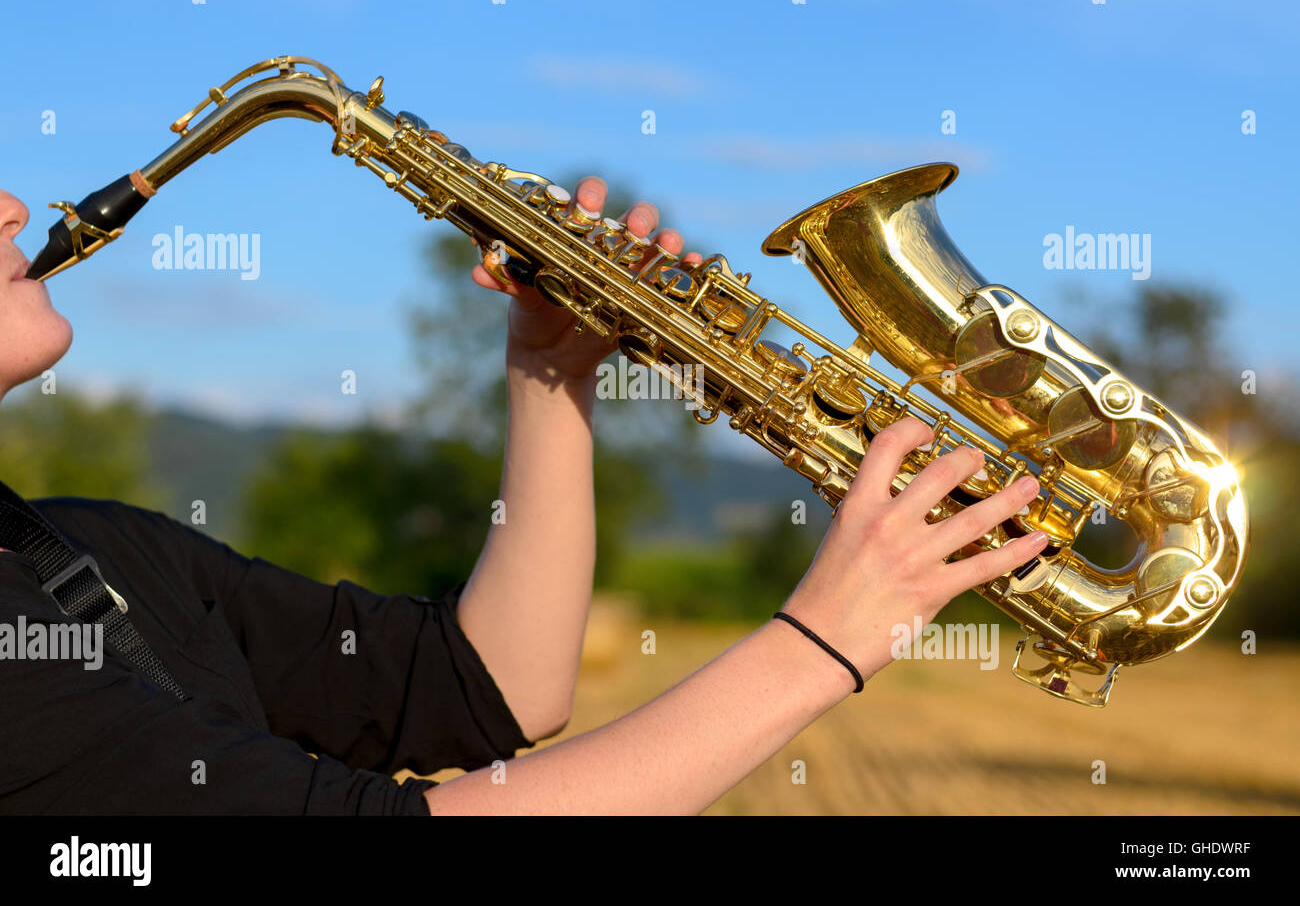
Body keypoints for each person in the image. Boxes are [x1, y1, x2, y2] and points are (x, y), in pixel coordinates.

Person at [0, 178, 1047, 815]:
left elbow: (484, 688)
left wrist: (552, 372)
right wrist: (823, 639)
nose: (11, 206)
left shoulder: (86, 546)